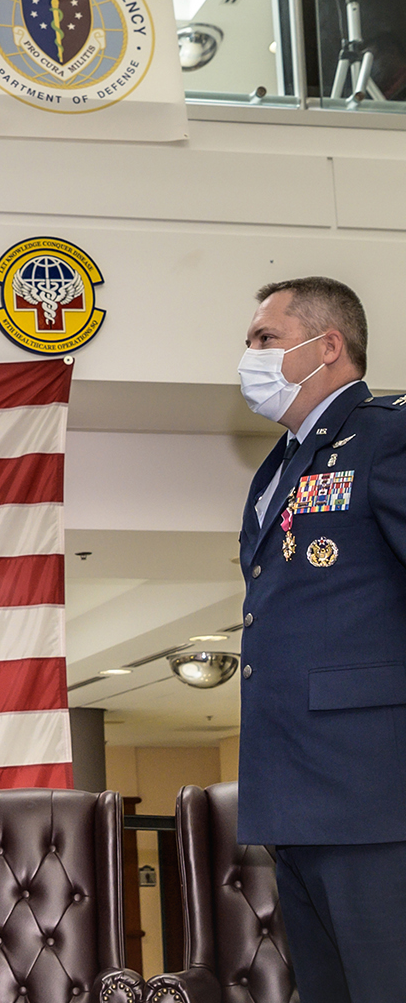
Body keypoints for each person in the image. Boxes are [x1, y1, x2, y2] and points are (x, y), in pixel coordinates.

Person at [235, 276, 406, 1000]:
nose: (250, 357)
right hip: (298, 798)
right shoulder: (280, 464)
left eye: (266, 339)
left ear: (328, 345)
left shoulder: (388, 436)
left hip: (373, 795)